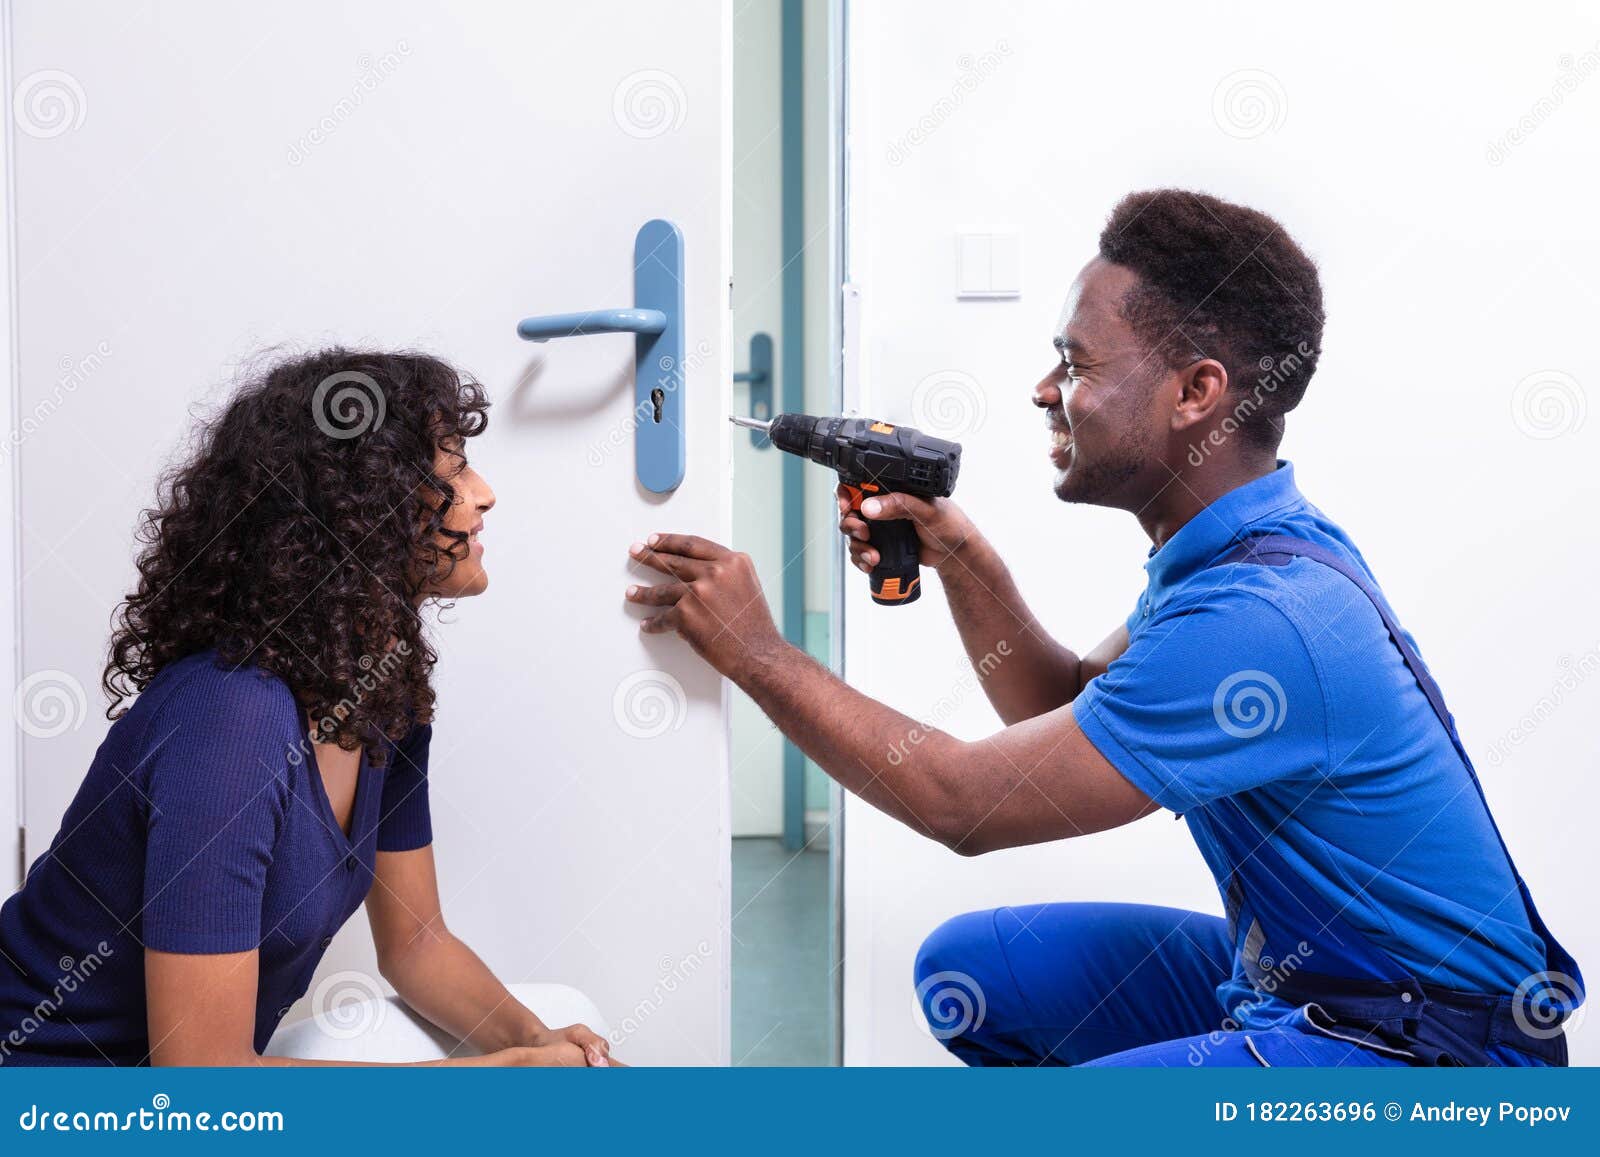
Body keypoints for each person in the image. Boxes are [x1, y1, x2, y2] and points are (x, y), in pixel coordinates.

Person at [623, 188, 1582, 1067]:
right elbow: (1064, 707)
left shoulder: (1263, 618)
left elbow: (966, 805)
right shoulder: (1239, 549)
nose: (1046, 390)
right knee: (973, 975)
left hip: (1435, 1043)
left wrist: (756, 651)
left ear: (1195, 394)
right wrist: (963, 558)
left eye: (1075, 364)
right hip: (1309, 977)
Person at [0, 350, 613, 1067]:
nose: (483, 494)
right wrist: (495, 1077)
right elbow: (205, 1080)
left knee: (572, 1016)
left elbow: (417, 943)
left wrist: (537, 1042)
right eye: (450, 474)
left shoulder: (385, 692)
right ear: (357, 519)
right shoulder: (231, 719)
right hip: (52, 1100)